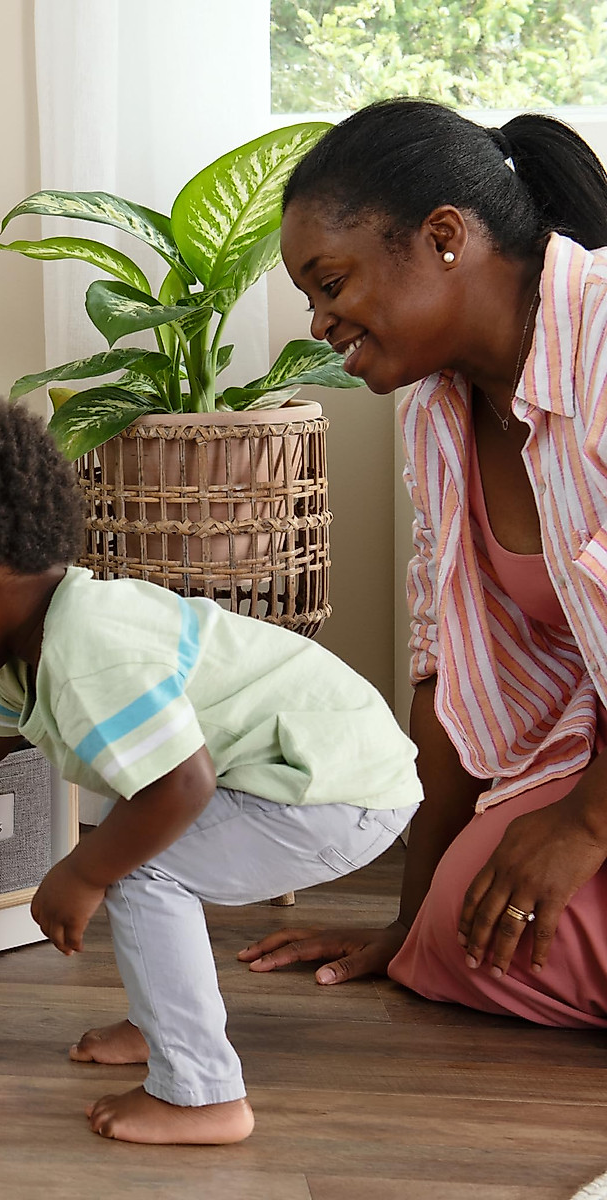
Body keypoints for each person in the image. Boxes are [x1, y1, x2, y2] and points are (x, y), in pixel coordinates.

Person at [0, 392, 422, 1144]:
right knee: (139, 860)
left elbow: (181, 785)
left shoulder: (86, 652)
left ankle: (202, 1094)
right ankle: (161, 1023)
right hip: (299, 772)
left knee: (138, 867)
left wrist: (84, 870)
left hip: (334, 788)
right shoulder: (31, 648)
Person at [241, 98, 607, 1028]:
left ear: (444, 236)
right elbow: (448, 670)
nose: (322, 322)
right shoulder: (438, 414)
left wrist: (583, 827)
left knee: (515, 921)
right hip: (589, 746)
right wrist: (410, 925)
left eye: (332, 282)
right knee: (462, 931)